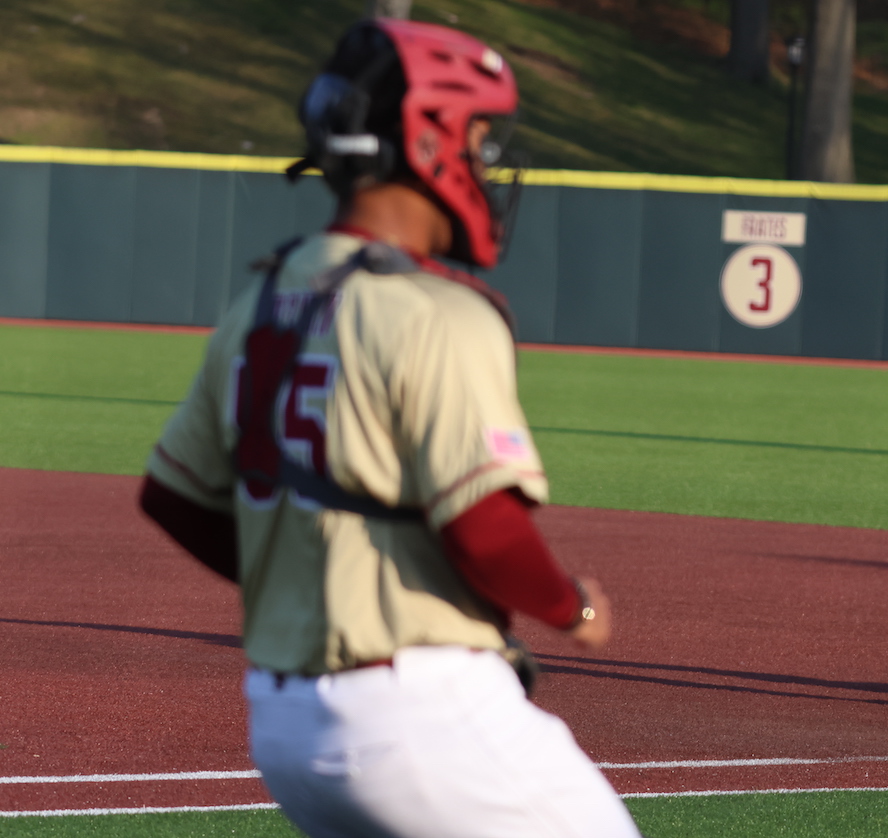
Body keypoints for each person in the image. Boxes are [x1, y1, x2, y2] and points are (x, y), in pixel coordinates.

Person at [137, 19, 641, 837]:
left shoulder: (260, 298)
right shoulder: (438, 311)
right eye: (477, 137)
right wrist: (572, 607)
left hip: (283, 724)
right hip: (423, 717)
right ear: (427, 138)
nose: (484, 162)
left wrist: (301, 587)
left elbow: (172, 496)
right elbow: (483, 527)